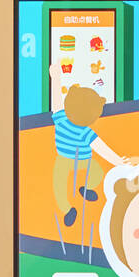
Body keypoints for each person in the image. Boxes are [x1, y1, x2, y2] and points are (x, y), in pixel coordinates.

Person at [48, 63, 131, 227]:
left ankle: (70, 204)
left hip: (65, 159)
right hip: (81, 160)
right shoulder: (86, 132)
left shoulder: (61, 118)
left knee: (60, 184)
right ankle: (82, 193)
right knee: (96, 172)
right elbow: (102, 150)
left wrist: (56, 78)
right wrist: (119, 162)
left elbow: (57, 100)